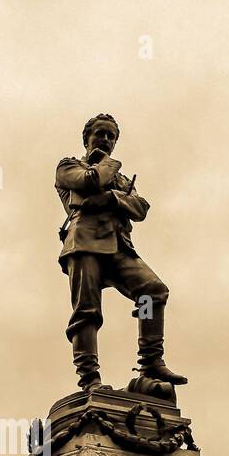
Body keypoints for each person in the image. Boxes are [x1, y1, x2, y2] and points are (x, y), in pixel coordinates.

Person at [55, 114, 186, 392]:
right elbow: (90, 181)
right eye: (100, 134)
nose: (105, 140)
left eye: (110, 136)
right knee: (87, 312)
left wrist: (113, 197)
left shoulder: (121, 178)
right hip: (84, 243)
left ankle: (151, 360)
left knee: (153, 291)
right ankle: (90, 379)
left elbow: (141, 208)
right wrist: (107, 168)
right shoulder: (68, 166)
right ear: (86, 138)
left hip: (119, 246)